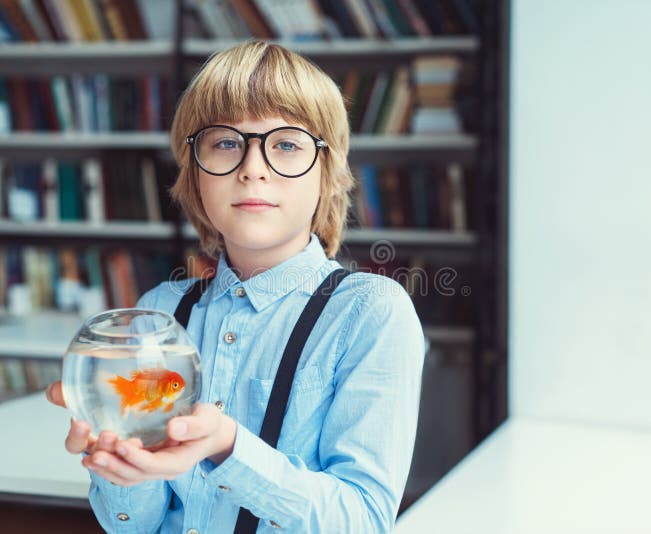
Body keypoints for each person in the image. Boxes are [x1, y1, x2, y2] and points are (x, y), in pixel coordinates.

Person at [46, 40, 425, 533]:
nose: (252, 167)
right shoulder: (158, 315)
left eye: (286, 143)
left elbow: (364, 520)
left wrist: (227, 446)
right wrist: (121, 467)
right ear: (195, 171)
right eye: (226, 142)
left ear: (327, 172)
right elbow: (133, 526)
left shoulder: (371, 313)